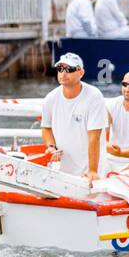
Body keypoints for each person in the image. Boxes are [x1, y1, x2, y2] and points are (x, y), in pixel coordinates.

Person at [41, 52, 106, 182]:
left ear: (81, 73)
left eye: (69, 69)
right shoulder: (50, 98)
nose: (63, 74)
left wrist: (93, 171)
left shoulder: (94, 96)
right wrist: (51, 146)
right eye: (60, 69)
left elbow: (95, 137)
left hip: (90, 171)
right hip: (62, 170)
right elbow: (46, 127)